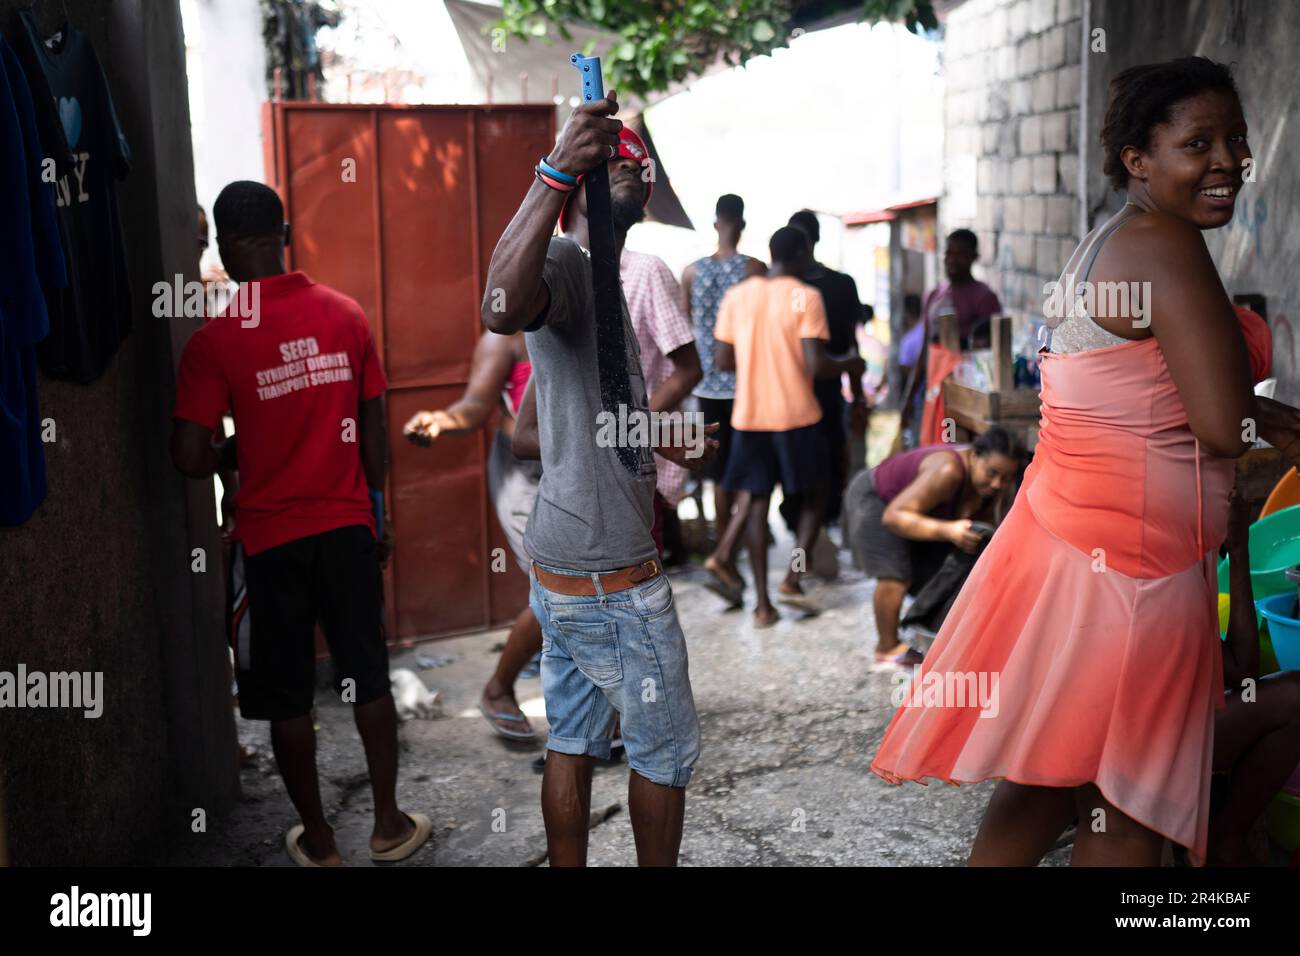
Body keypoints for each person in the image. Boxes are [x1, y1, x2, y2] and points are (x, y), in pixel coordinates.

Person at [872, 57, 1300, 866]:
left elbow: (1155, 396)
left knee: (1048, 778)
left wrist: (1267, 419)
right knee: (1125, 808)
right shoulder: (1165, 246)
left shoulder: (1110, 240)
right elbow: (1216, 425)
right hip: (1130, 576)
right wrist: (1268, 421)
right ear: (1138, 160)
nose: (1225, 160)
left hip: (1076, 551)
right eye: (1196, 142)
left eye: (1235, 139)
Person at [482, 94, 713, 866]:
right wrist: (553, 169)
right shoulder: (569, 263)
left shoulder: (610, 276)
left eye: (634, 166)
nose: (628, 170)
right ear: (585, 184)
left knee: (573, 739)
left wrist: (651, 434)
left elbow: (529, 436)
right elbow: (499, 304)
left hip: (564, 568)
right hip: (614, 578)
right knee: (661, 753)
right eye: (611, 163)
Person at [171, 181, 430, 867]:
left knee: (286, 695)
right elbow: (374, 426)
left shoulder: (214, 340)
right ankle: (387, 824)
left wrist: (237, 449)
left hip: (267, 545)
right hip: (347, 530)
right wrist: (377, 514)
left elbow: (189, 455)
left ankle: (319, 839)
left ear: (224, 251)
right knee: (367, 677)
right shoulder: (346, 315)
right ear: (284, 235)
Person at [703, 226, 864, 627]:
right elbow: (816, 365)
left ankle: (762, 606)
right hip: (797, 415)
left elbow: (723, 361)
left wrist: (760, 357)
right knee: (815, 496)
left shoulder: (738, 296)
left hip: (749, 416)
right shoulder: (805, 297)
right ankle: (792, 578)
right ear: (804, 252)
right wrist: (851, 364)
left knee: (755, 502)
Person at [402, 330, 543, 741]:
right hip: (526, 477)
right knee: (557, 587)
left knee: (581, 587)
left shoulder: (575, 316)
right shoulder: (506, 338)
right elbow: (476, 405)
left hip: (569, 466)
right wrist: (443, 421)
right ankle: (498, 689)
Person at [843, 429, 1019, 666]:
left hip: (914, 513)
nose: (998, 483)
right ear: (975, 456)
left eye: (1006, 478)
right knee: (895, 575)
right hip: (877, 500)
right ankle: (887, 647)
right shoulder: (947, 470)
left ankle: (924, 632)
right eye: (992, 473)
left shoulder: (989, 488)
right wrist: (948, 530)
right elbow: (893, 517)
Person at [1211, 489, 1300, 865]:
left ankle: (1225, 837)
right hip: (1126, 741)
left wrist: (1238, 548)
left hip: (1180, 723)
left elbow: (1240, 669)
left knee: (1293, 697)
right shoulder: (1151, 558)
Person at [680, 195, 766, 540]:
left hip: (703, 383)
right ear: (742, 224)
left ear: (716, 224)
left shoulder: (690, 272)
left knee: (715, 466)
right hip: (744, 383)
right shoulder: (754, 269)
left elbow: (682, 326)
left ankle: (721, 538)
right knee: (745, 464)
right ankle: (737, 539)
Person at [782, 210, 868, 533]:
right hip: (825, 389)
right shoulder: (841, 285)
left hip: (786, 393)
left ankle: (803, 539)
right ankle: (813, 539)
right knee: (827, 466)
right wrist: (858, 397)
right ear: (813, 241)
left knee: (794, 468)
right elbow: (851, 347)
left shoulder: (773, 288)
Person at [620, 247, 703, 555]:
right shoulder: (561, 271)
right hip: (587, 478)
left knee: (642, 576)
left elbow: (689, 368)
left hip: (638, 464)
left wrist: (632, 431)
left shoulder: (646, 271)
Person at [899, 231, 1001, 448]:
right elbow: (925, 349)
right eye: (949, 253)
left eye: (961, 254)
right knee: (930, 446)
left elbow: (990, 352)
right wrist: (908, 397)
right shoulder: (934, 295)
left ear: (974, 257)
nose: (953, 260)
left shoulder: (983, 298)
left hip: (964, 395)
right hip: (934, 390)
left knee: (956, 446)